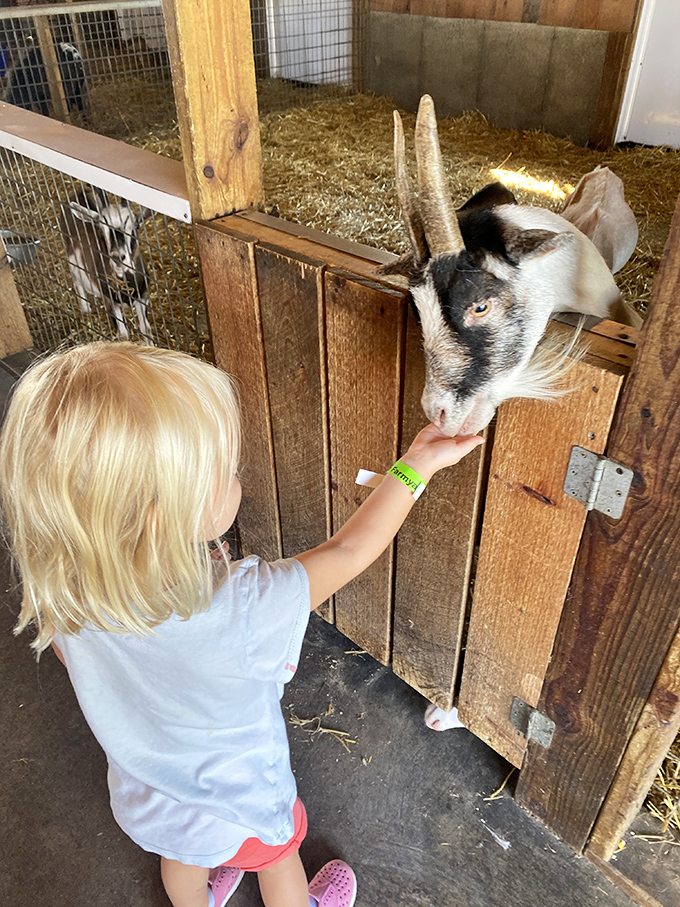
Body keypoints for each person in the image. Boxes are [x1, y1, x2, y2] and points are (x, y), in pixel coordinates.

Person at [0, 342, 483, 907]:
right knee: (278, 861)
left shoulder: (66, 591)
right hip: (242, 808)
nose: (237, 477)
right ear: (167, 513)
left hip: (150, 800)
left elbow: (75, 660)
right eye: (226, 471)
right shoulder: (243, 606)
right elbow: (350, 551)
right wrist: (416, 464)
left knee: (180, 859)